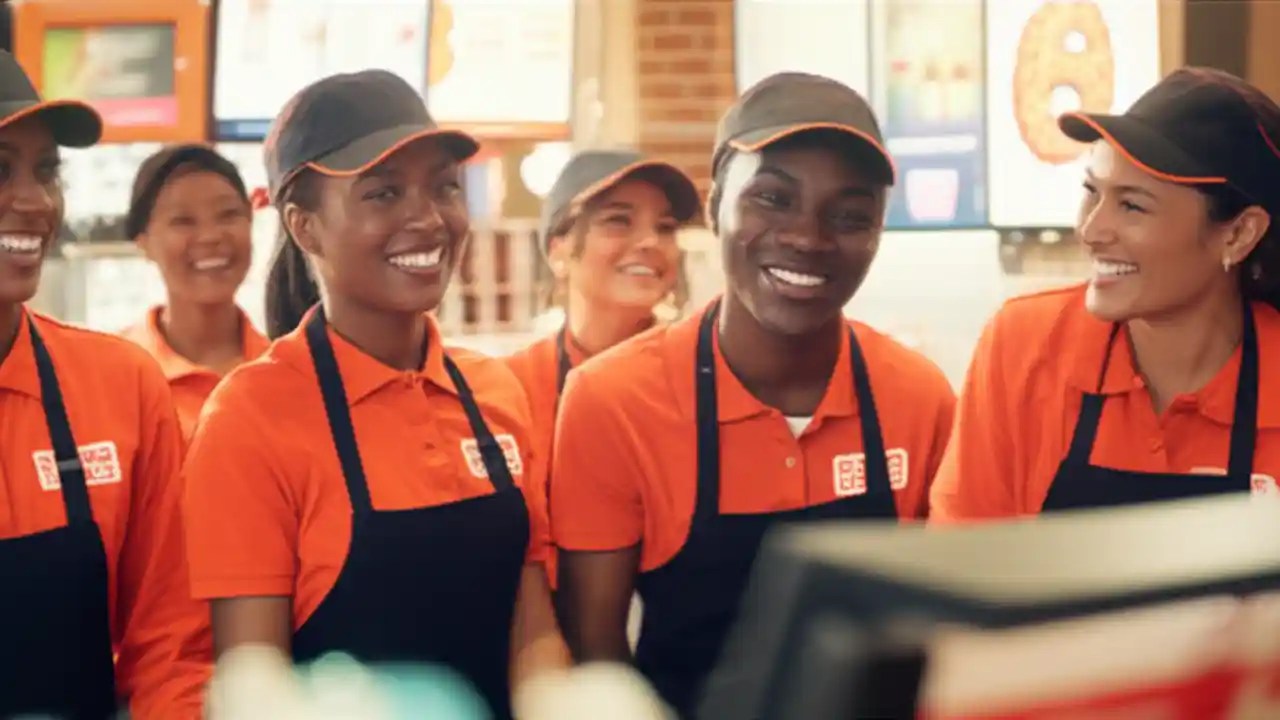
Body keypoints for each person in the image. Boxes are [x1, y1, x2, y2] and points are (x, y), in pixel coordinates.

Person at [548, 71, 957, 718]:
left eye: (850, 215)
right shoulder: (612, 400)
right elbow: (596, 651)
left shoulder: (919, 397)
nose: (808, 237)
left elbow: (945, 635)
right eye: (772, 199)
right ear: (714, 209)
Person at [180, 69, 569, 720]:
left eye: (444, 187)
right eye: (383, 193)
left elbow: (531, 631)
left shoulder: (494, 390)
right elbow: (254, 687)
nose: (426, 218)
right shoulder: (251, 417)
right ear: (304, 228)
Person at [930, 67, 1280, 521]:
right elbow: (962, 569)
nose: (1091, 230)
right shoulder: (1023, 347)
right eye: (1091, 193)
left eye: (1132, 205)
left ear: (1238, 234)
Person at [0, 50, 208, 718]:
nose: (34, 202)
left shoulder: (118, 386)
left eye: (45, 171)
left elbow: (171, 648)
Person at [504, 149, 699, 510]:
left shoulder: (703, 377)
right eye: (618, 221)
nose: (650, 242)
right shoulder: (511, 388)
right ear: (558, 251)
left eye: (665, 228)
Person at [120, 143, 270, 440]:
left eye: (228, 214)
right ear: (143, 242)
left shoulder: (289, 374)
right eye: (183, 221)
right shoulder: (114, 376)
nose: (210, 236)